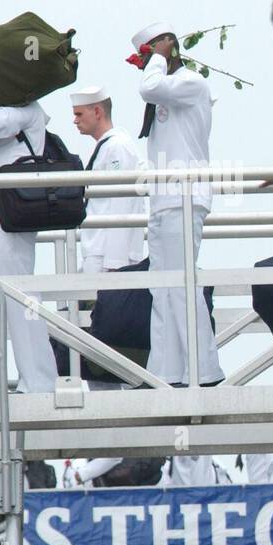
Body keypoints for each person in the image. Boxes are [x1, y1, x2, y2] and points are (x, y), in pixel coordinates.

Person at [132, 20, 223, 386]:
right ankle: (167, 372)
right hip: (165, 200)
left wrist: (158, 56)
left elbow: (150, 88)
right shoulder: (170, 90)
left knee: (183, 285)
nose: (144, 66)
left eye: (148, 55)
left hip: (183, 199)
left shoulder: (190, 83)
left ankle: (205, 371)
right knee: (164, 287)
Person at [0, 101, 59, 393]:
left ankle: (39, 381)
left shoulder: (28, 108)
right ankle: (37, 379)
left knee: (19, 293)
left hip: (9, 209)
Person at [69, 86, 144, 273]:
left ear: (97, 112)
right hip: (98, 248)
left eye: (79, 114)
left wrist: (115, 262)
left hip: (107, 254)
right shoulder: (108, 146)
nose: (75, 121)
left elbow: (122, 203)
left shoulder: (117, 147)